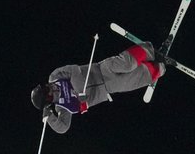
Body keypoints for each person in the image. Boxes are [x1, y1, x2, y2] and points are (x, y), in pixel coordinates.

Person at [31, 42, 164, 133]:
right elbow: (63, 127)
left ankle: (150, 50)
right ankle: (160, 66)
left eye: (45, 86)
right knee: (135, 79)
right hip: (107, 89)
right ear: (48, 99)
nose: (49, 87)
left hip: (102, 69)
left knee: (126, 64)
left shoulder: (55, 77)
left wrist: (78, 91)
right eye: (47, 91)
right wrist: (50, 118)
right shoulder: (62, 107)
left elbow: (74, 70)